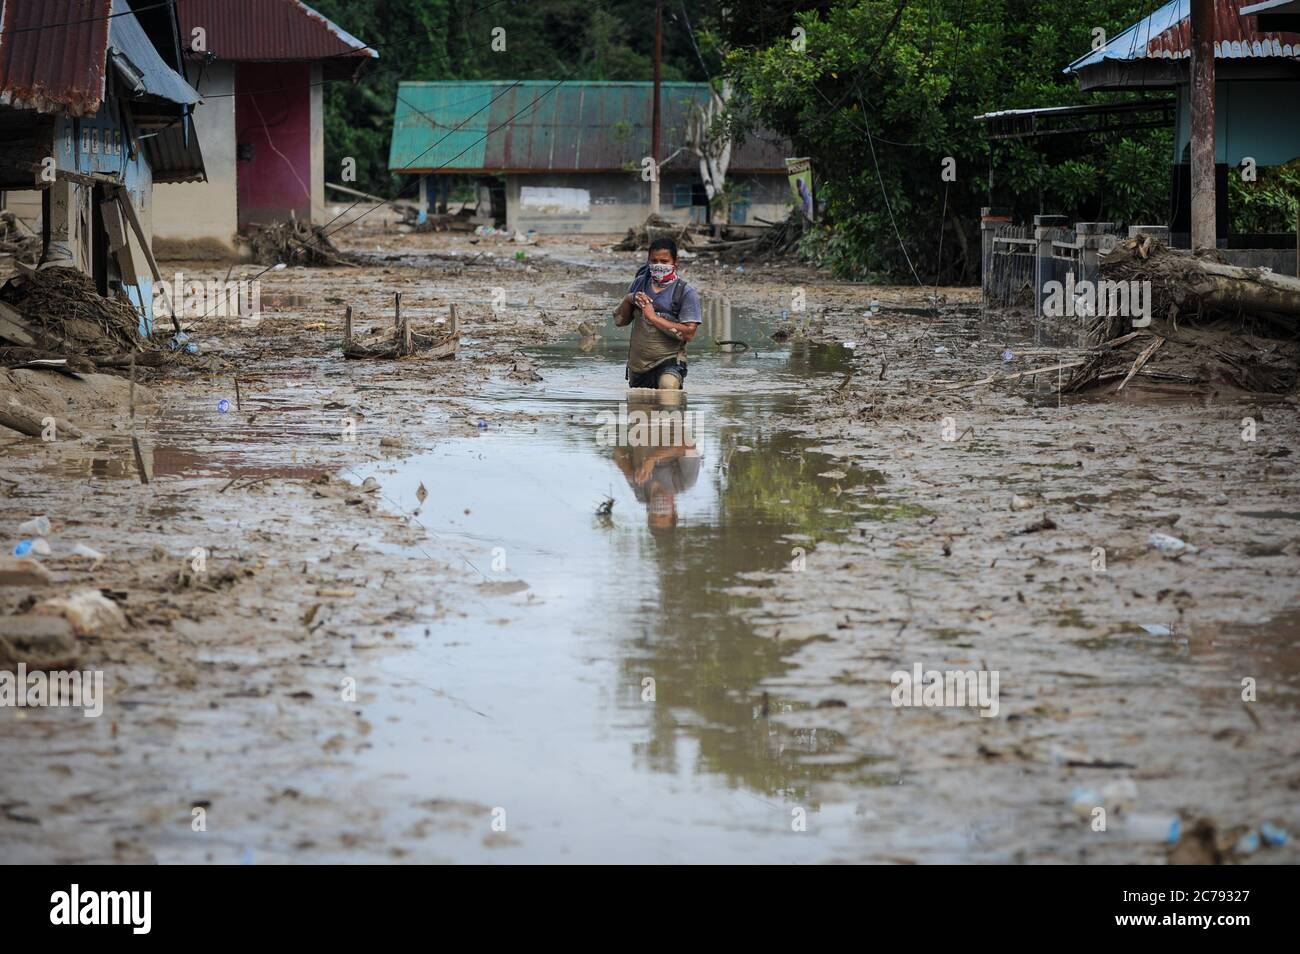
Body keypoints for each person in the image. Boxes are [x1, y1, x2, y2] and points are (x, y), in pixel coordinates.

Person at [614, 237, 702, 389]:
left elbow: (689, 333)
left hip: (669, 362)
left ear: (675, 262)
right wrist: (629, 299)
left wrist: (653, 317)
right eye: (654, 261)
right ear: (648, 261)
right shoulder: (639, 284)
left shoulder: (685, 292)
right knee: (640, 402)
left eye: (664, 261)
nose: (659, 265)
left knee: (668, 387)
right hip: (638, 367)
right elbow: (619, 321)